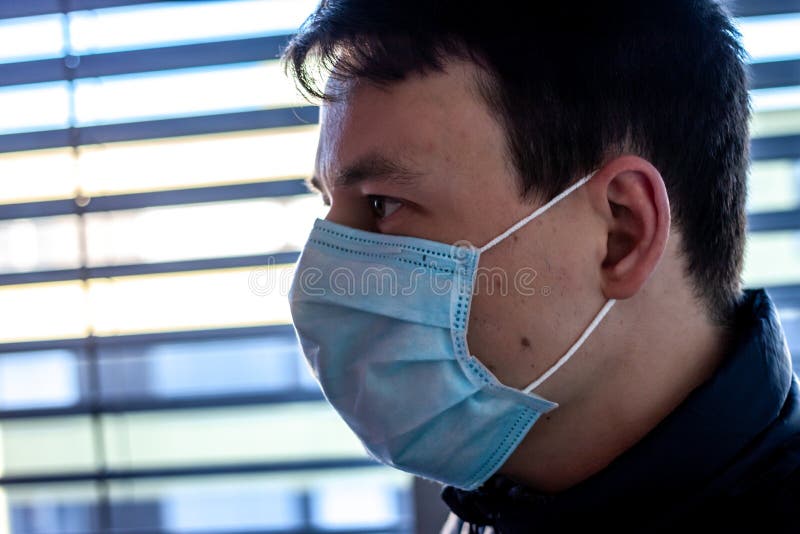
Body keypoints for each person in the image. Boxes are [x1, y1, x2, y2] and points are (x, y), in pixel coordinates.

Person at [281, 1, 800, 532]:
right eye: (327, 206)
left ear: (622, 233)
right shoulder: (493, 502)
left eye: (381, 204)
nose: (316, 277)